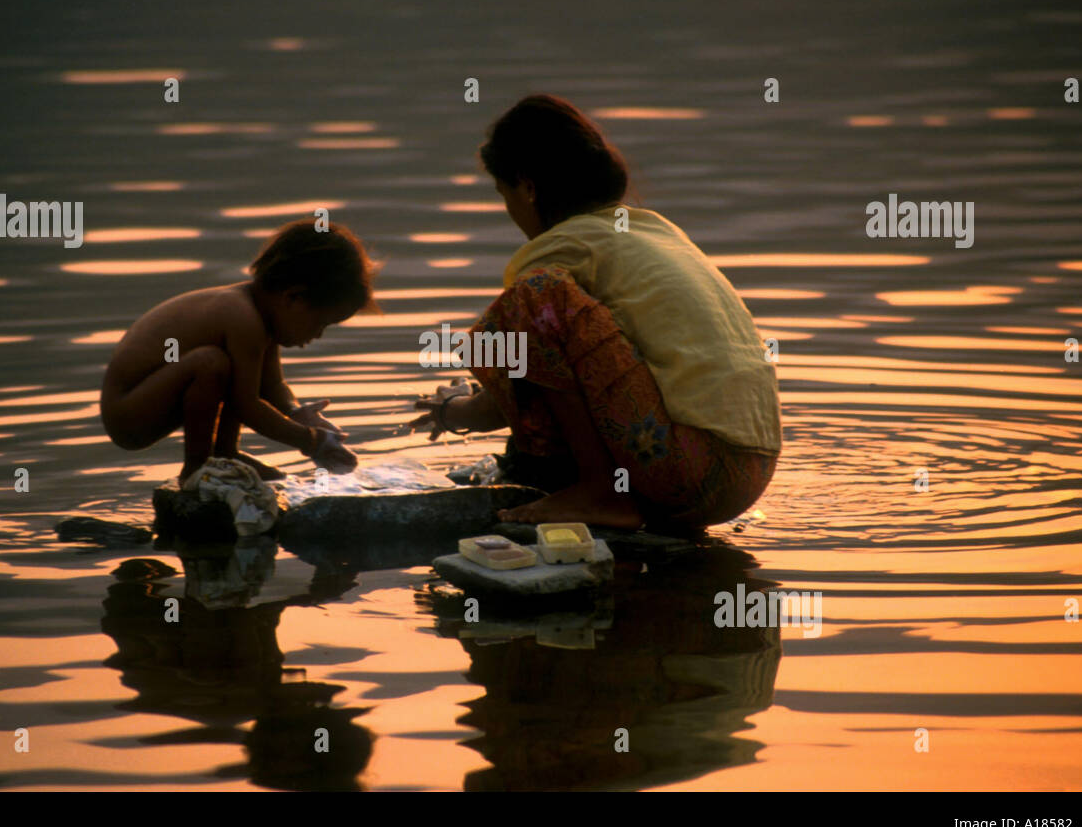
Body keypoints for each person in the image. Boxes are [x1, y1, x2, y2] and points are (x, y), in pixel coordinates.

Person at [411, 95, 781, 532]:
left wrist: (451, 410)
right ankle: (599, 489)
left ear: (527, 189)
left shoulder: (556, 250)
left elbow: (500, 402)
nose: (510, 210)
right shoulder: (657, 231)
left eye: (504, 194)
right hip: (750, 474)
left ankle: (602, 492)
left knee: (533, 300)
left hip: (688, 471)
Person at [101, 218, 377, 482]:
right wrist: (311, 442)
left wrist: (298, 414)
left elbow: (272, 385)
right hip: (129, 414)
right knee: (211, 363)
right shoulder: (243, 318)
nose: (317, 335)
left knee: (238, 373)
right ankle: (197, 468)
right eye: (320, 323)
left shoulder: (262, 320)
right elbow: (248, 406)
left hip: (149, 401)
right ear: (292, 296)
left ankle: (224, 453)